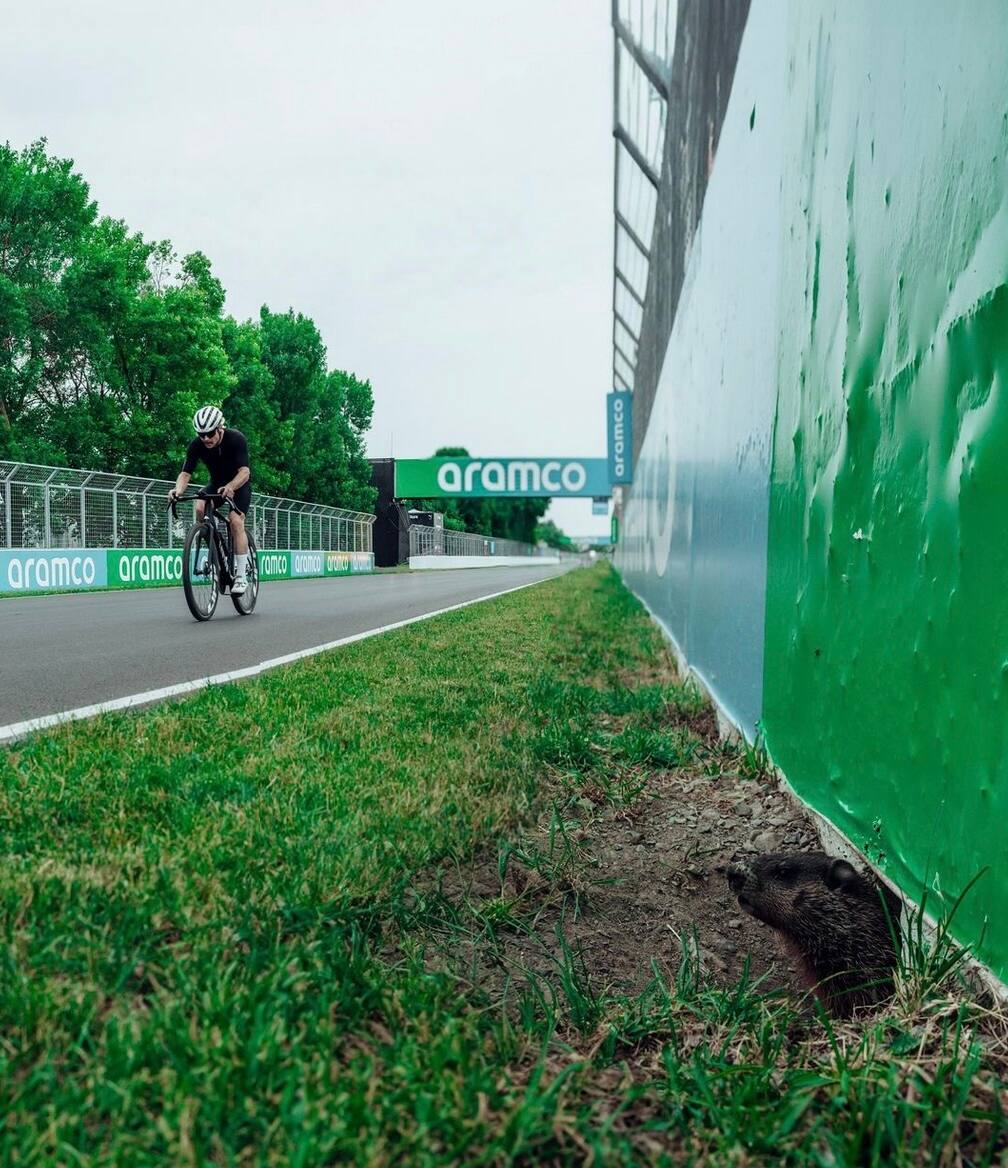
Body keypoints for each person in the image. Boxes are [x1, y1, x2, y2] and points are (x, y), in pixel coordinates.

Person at [169, 406, 253, 594]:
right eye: (201, 434)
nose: (206, 438)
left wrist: (231, 486)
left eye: (209, 433)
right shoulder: (196, 445)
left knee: (236, 521)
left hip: (238, 485)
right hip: (216, 484)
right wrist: (178, 490)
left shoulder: (236, 439)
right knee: (200, 507)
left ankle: (240, 576)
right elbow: (185, 473)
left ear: (220, 428)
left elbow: (245, 471)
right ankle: (216, 550)